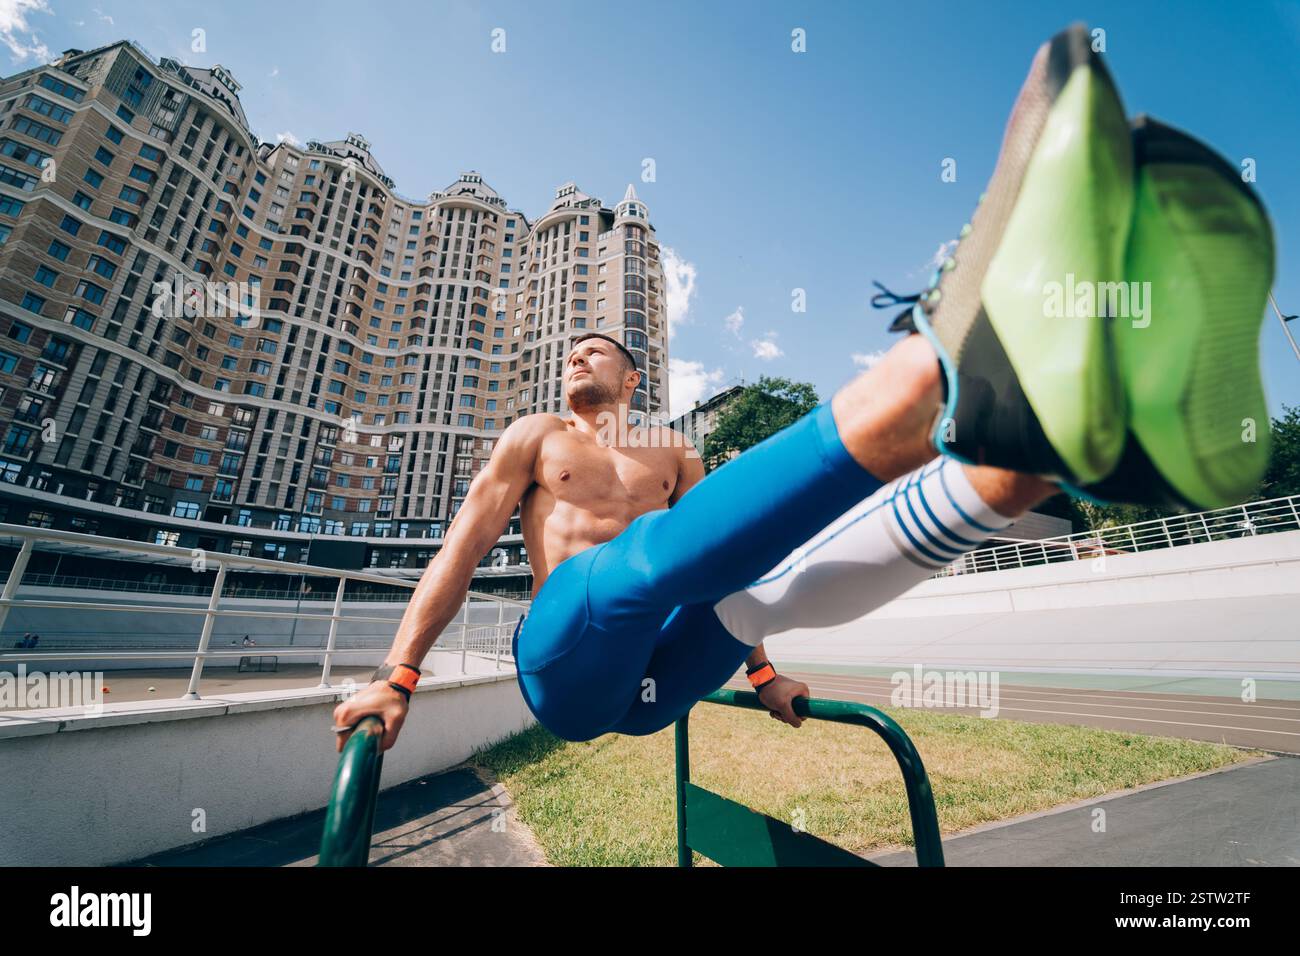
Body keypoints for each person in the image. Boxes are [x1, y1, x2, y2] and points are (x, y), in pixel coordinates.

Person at [333, 24, 1273, 754]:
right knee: (632, 569)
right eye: (570, 352)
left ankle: (1009, 473)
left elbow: (737, 557)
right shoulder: (534, 438)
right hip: (571, 668)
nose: (576, 359)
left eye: (595, 350)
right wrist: (398, 675)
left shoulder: (674, 453)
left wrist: (766, 673)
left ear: (633, 373)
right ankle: (927, 378)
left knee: (753, 586)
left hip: (671, 676)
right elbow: (460, 548)